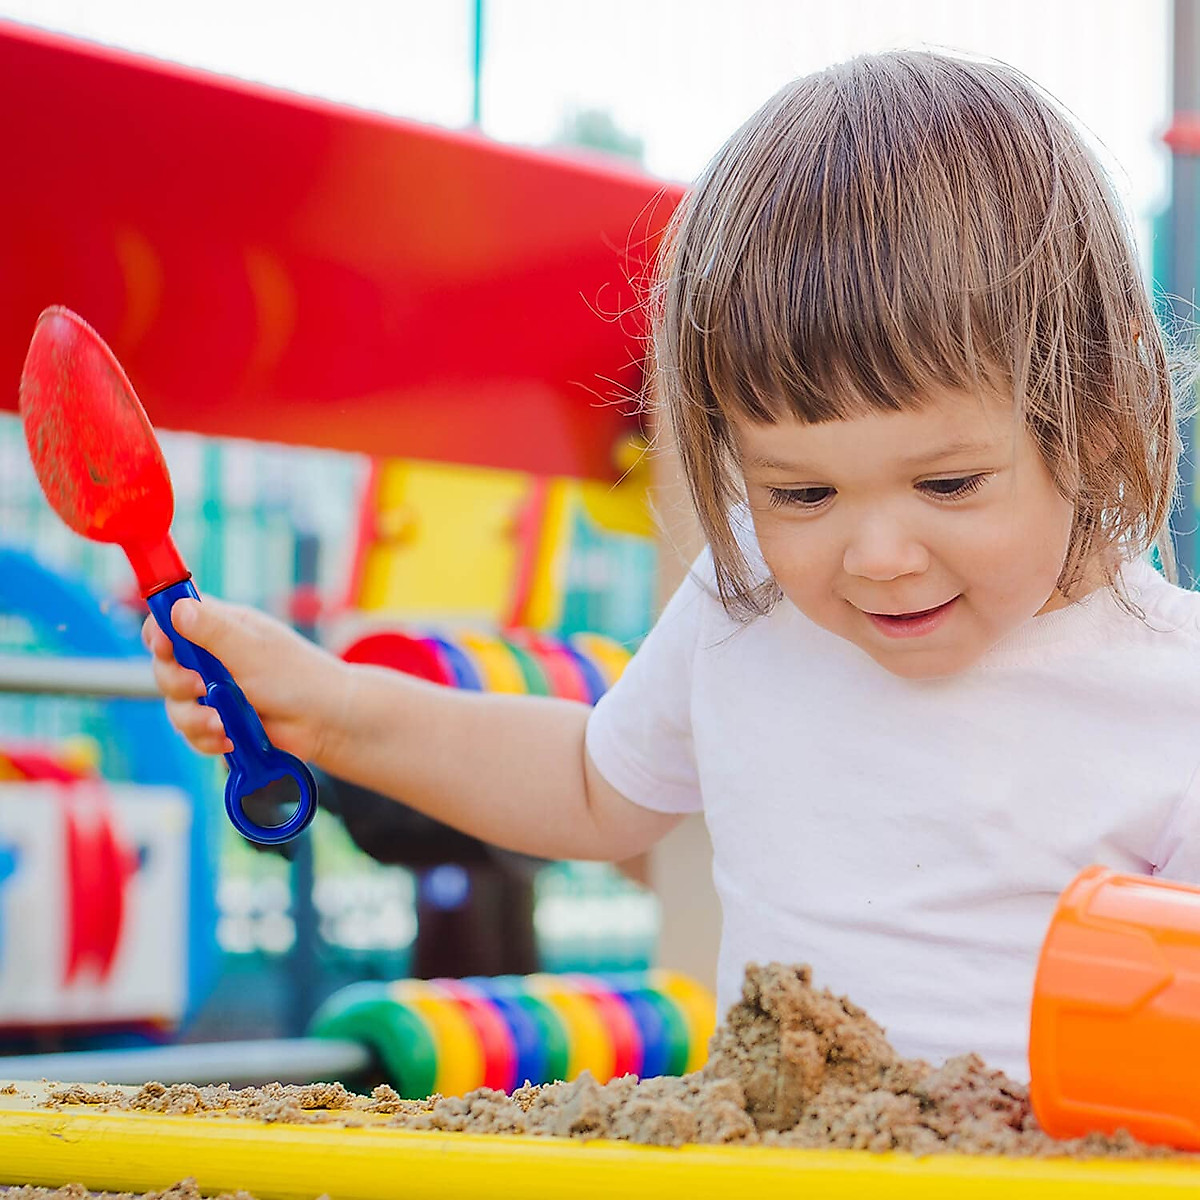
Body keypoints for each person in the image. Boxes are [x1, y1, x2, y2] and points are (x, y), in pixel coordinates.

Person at [145, 50, 1200, 1080]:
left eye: (949, 485)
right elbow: (590, 785)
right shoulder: (752, 609)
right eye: (801, 494)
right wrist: (331, 714)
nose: (877, 557)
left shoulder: (1172, 696)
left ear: (1094, 425)